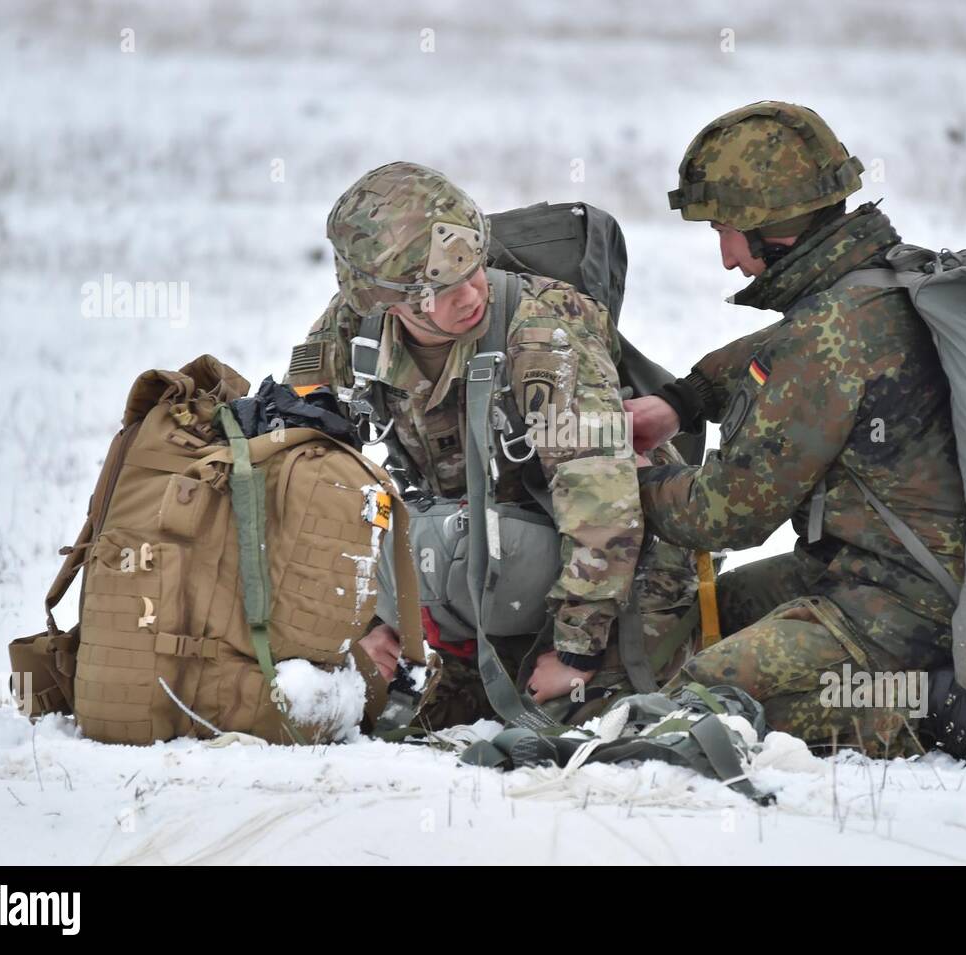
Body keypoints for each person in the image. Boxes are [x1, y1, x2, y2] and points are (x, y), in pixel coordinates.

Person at [625, 101, 966, 769]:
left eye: (726, 230)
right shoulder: (873, 280)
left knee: (707, 690)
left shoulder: (831, 330)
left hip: (906, 609)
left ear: (774, 228)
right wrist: (683, 400)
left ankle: (934, 705)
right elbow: (777, 349)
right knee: (708, 617)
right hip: (886, 576)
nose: (727, 258)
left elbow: (727, 513)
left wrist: (632, 483)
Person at [286, 162, 697, 727]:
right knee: (420, 731)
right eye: (440, 291)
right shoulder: (350, 333)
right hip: (486, 568)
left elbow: (600, 496)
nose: (470, 293)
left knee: (573, 732)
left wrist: (576, 650)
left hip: (623, 571)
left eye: (475, 269)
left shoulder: (543, 331)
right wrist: (365, 617)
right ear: (389, 302)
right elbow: (301, 467)